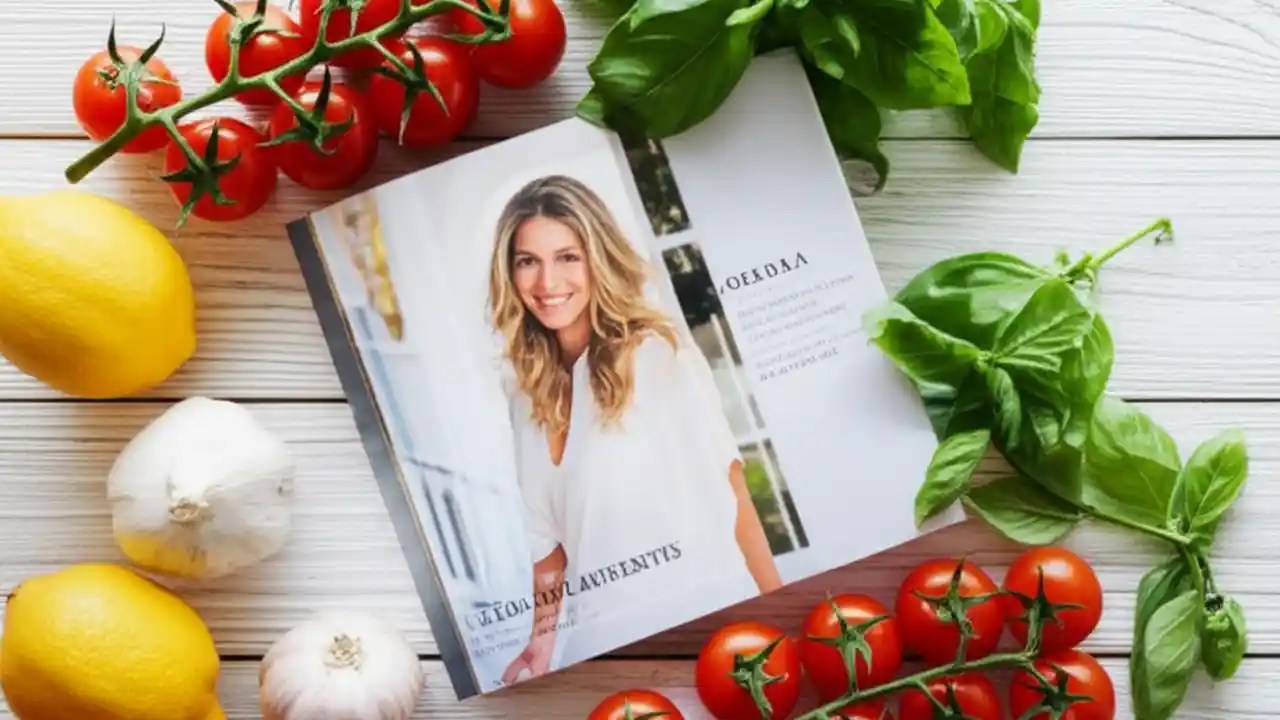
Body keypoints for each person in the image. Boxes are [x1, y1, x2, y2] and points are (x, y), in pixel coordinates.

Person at [486, 175, 783, 684]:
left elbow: (731, 490)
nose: (546, 282)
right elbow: (548, 546)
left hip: (706, 622)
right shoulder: (523, 388)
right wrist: (541, 643)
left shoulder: (654, 355)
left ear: (598, 258)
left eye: (567, 257)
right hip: (602, 645)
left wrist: (777, 612)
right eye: (527, 261)